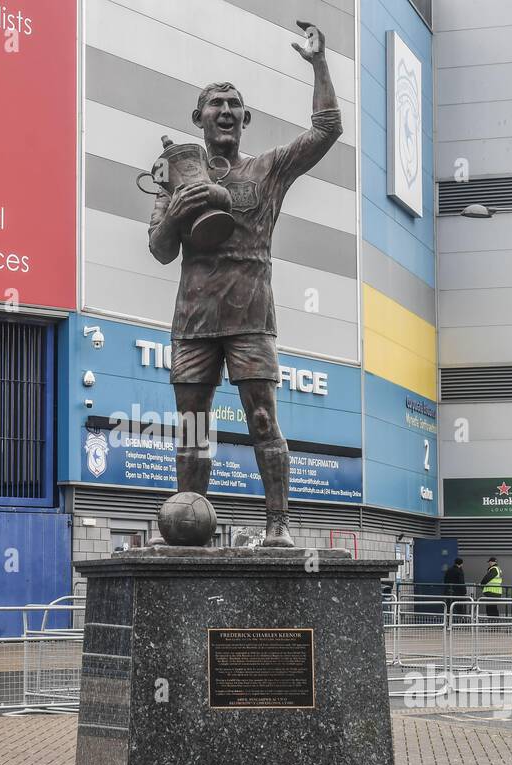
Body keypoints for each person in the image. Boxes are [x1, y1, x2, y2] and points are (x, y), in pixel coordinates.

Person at [148, 21, 341, 548]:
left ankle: (278, 524)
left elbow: (327, 131)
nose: (226, 110)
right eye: (216, 104)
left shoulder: (268, 171)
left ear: (246, 119)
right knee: (192, 427)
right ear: (199, 118)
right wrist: (176, 212)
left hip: (252, 315)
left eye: (234, 104)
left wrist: (319, 64)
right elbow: (161, 249)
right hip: (193, 320)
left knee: (261, 416)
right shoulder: (177, 172)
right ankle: (189, 526)